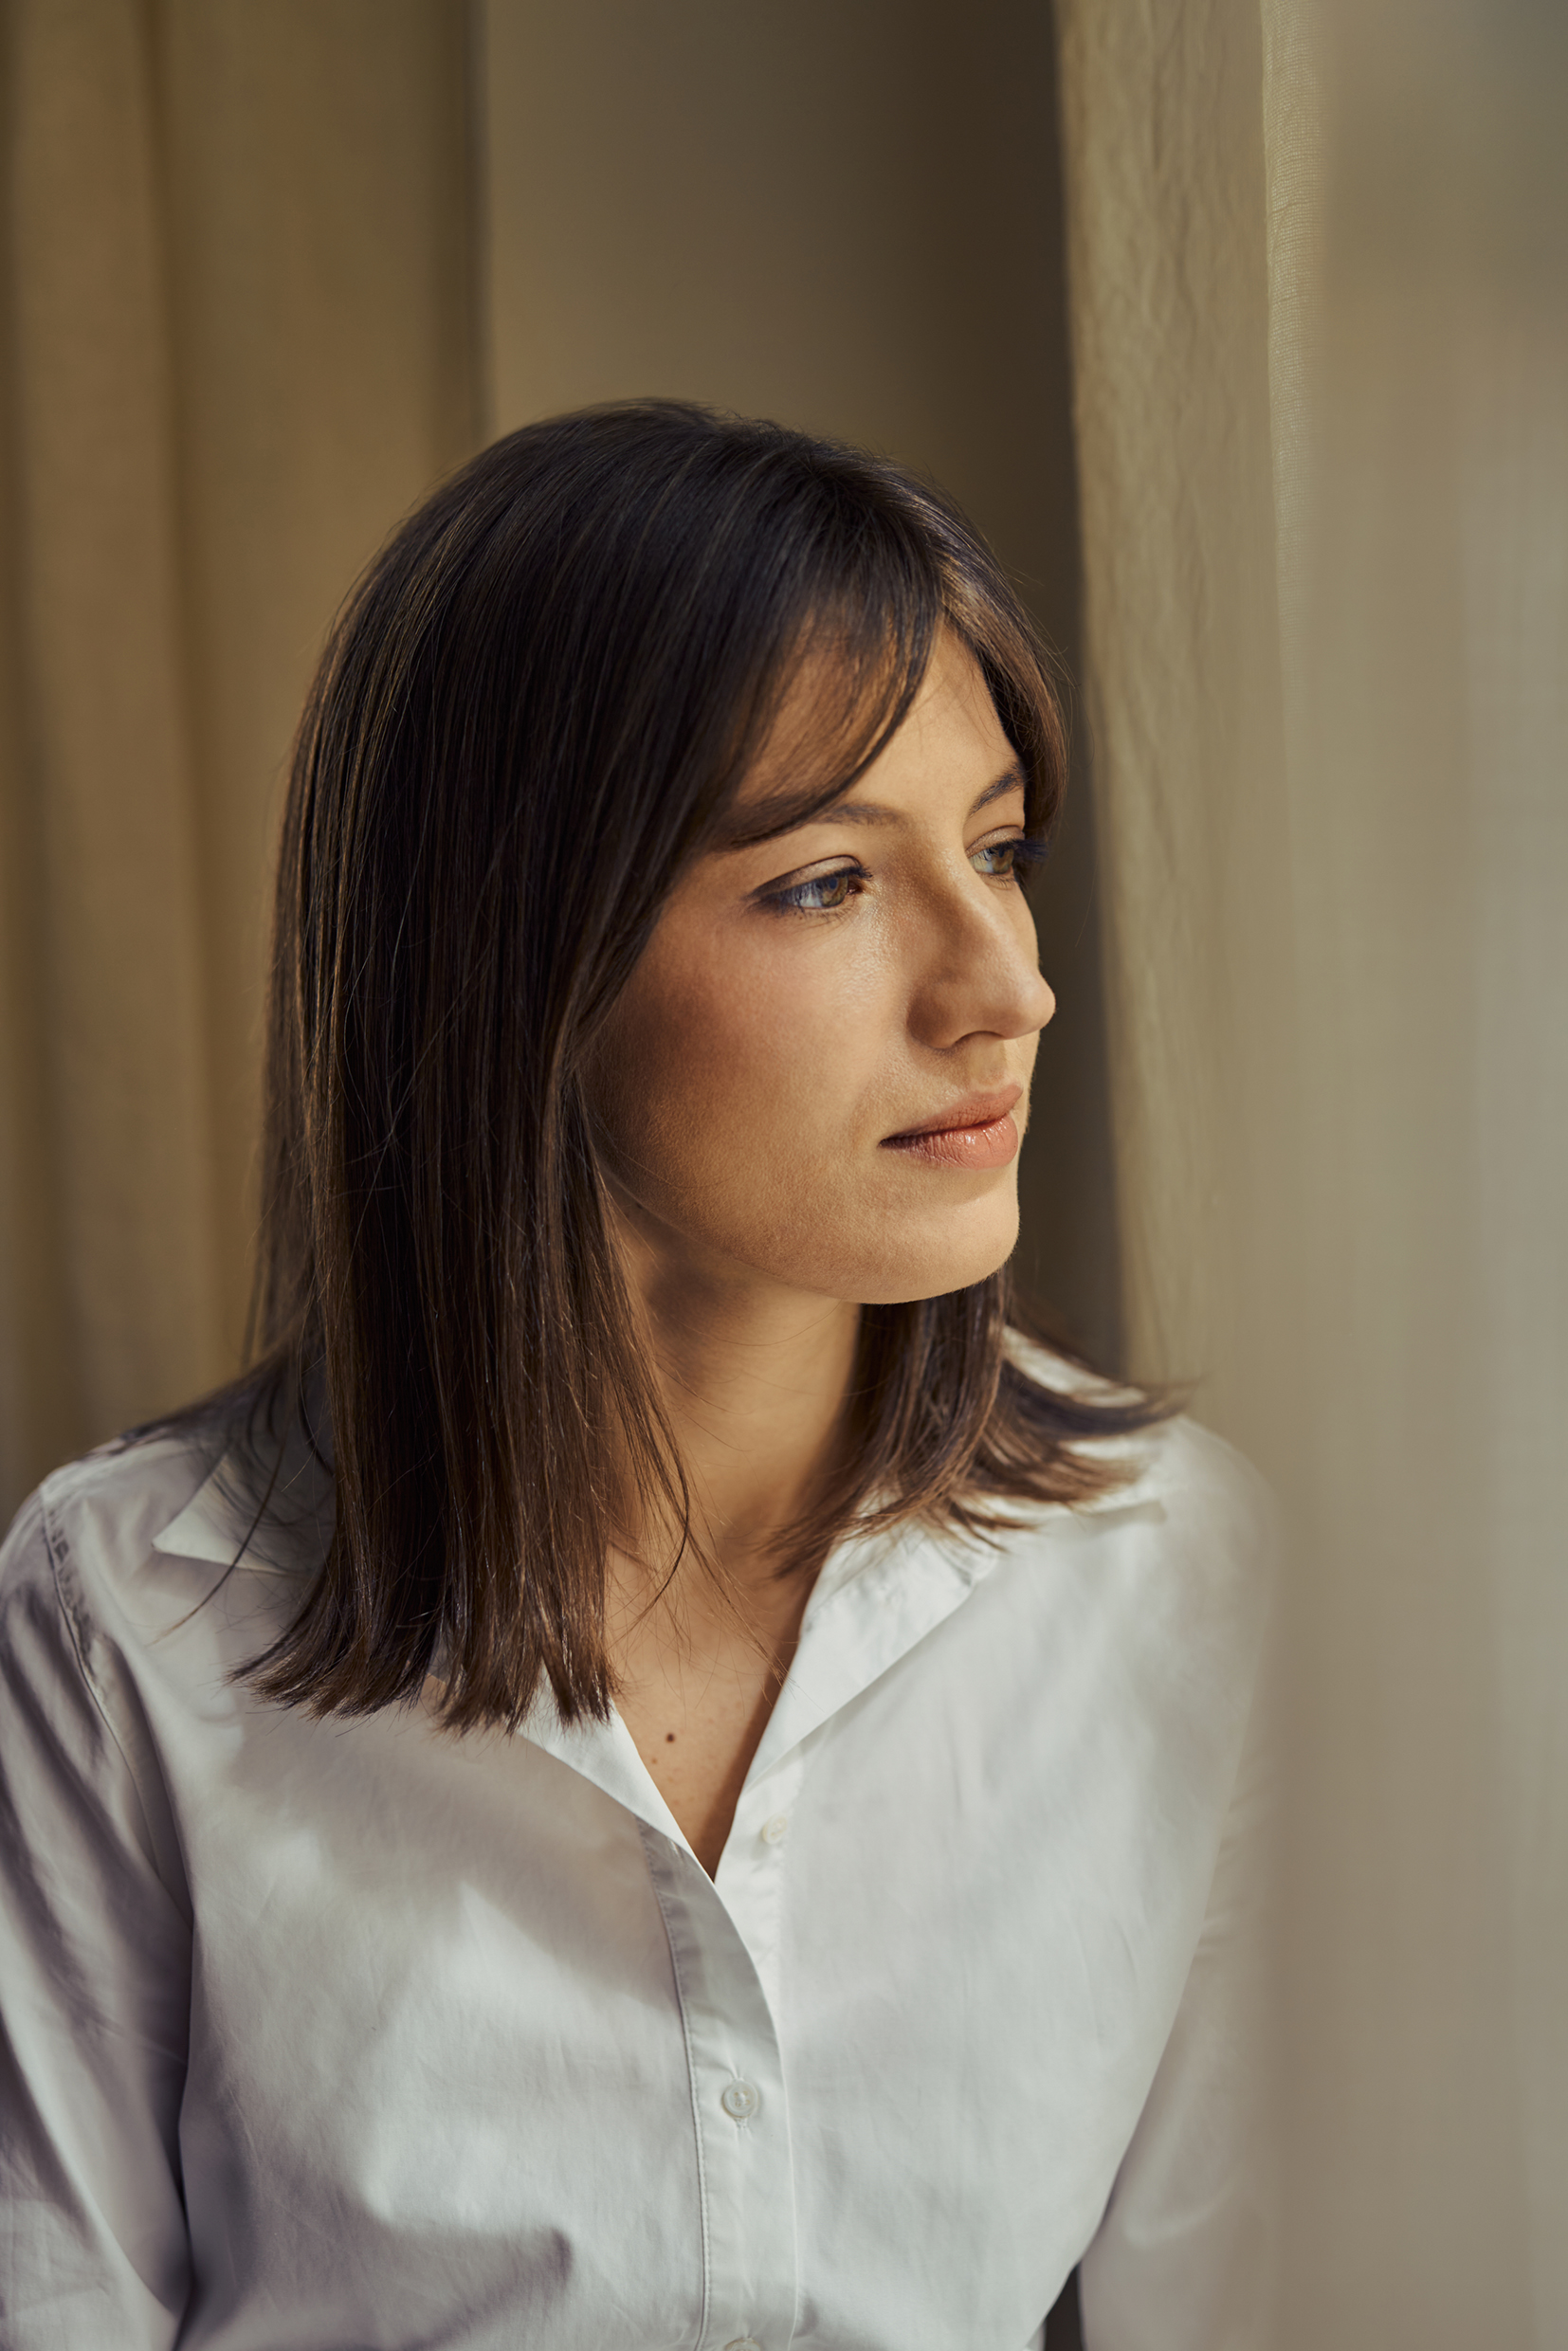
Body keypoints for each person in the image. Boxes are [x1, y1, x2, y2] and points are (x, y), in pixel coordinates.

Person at [0, 402, 1272, 2350]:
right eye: (825, 882)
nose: (999, 982)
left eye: (996, 847)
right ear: (520, 959)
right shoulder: (127, 1621)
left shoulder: (1175, 1577)